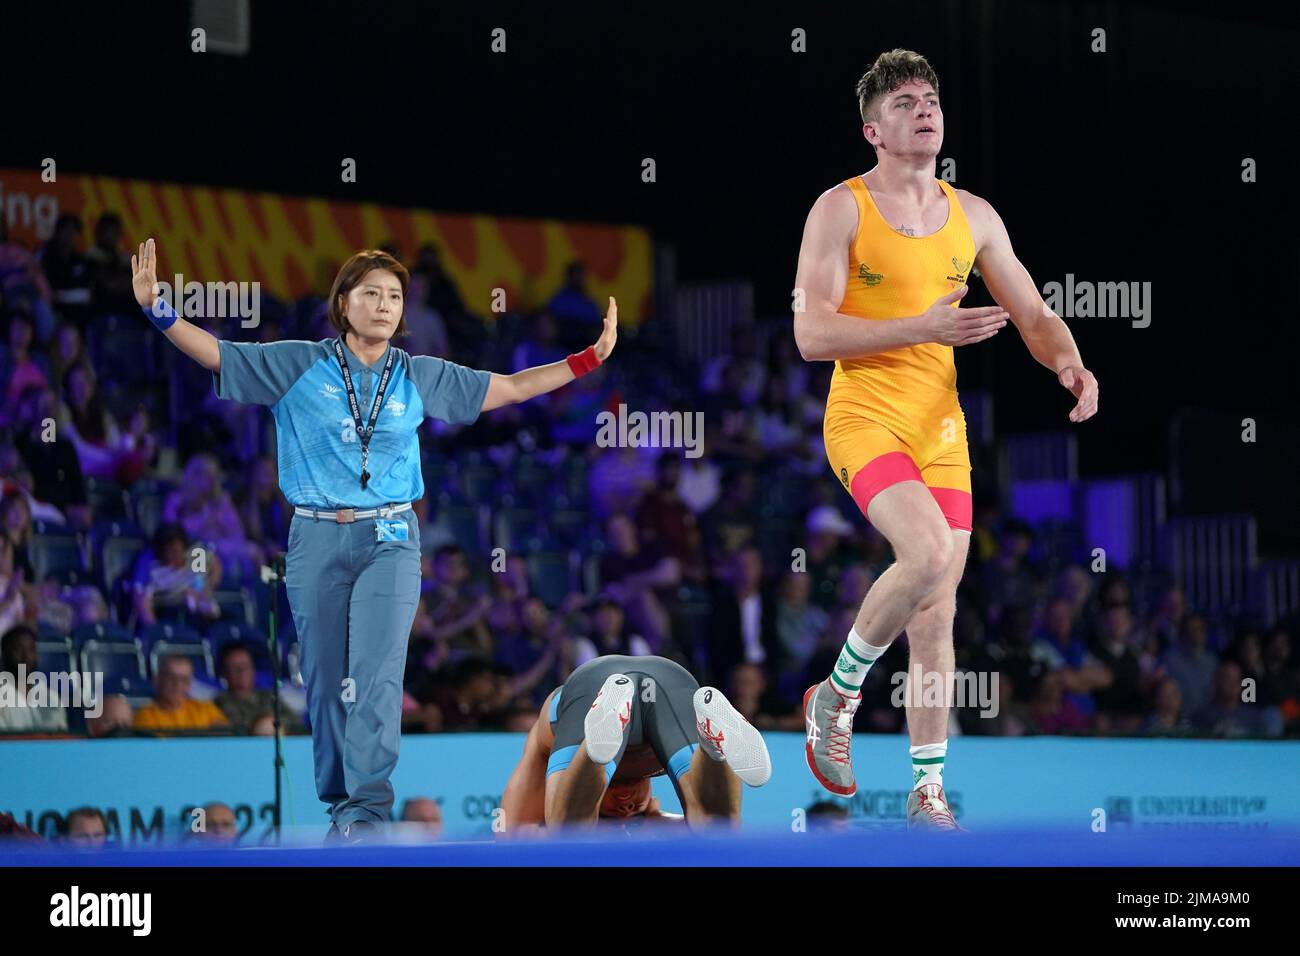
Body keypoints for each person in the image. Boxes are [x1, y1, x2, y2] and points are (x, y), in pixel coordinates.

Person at [131, 238, 618, 843]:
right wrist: (158, 309)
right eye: (371, 294)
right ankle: (342, 813)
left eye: (394, 296)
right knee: (326, 678)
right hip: (314, 536)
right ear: (343, 304)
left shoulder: (418, 375)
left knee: (377, 673)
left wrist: (588, 360)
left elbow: (512, 388)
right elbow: (217, 355)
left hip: (390, 534)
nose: (385, 305)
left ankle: (366, 814)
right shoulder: (297, 363)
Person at [793, 49, 1099, 829]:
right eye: (903, 102)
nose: (923, 108)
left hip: (941, 431)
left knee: (936, 613)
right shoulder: (841, 208)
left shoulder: (976, 215)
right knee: (925, 554)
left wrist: (1067, 361)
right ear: (873, 129)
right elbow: (809, 333)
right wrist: (922, 325)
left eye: (929, 97)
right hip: (864, 417)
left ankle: (927, 792)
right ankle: (837, 694)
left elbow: (1032, 315)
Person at [499, 655, 771, 832]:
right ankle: (712, 746)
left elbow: (512, 838)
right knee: (718, 828)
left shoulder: (543, 736)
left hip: (590, 688)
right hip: (670, 683)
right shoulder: (655, 820)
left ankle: (596, 753)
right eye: (632, 811)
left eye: (617, 787)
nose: (625, 803)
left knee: (566, 831)